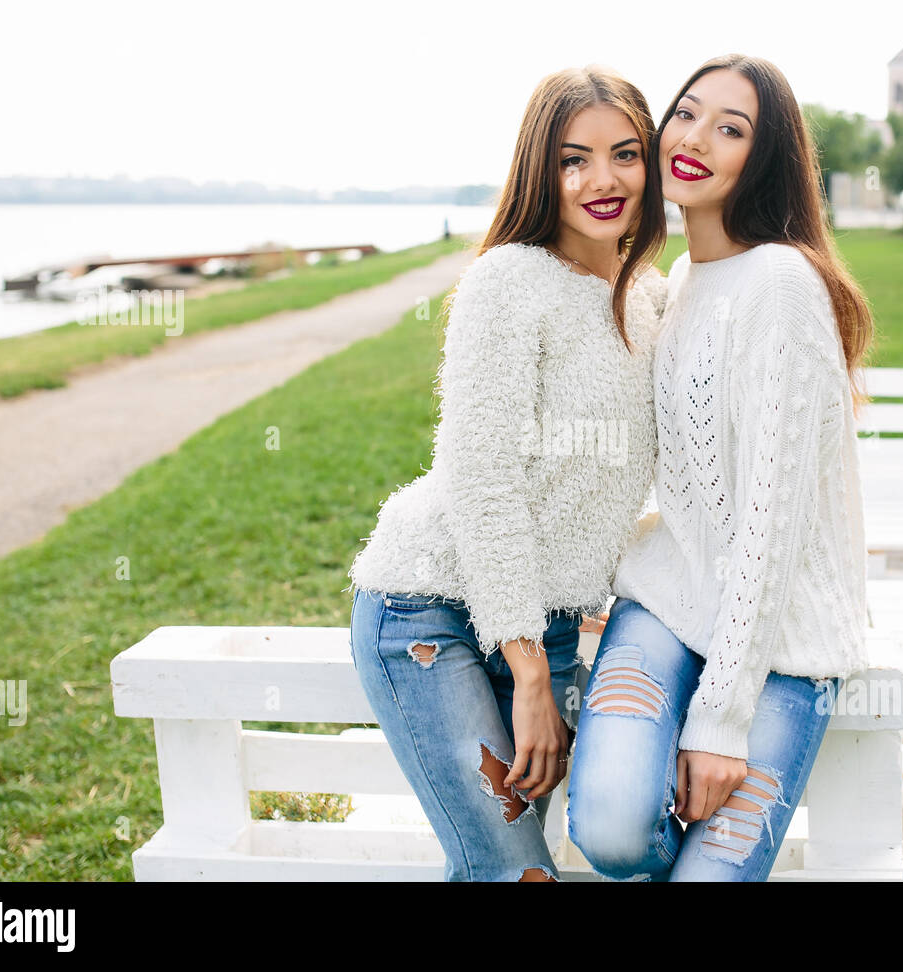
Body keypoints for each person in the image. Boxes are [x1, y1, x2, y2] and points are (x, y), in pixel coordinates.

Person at [345, 65, 668, 882]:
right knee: (515, 872)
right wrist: (528, 672)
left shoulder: (653, 298)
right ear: (540, 170)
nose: (603, 179)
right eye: (573, 159)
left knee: (509, 867)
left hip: (554, 620)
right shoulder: (507, 282)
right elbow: (481, 477)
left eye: (625, 154)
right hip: (433, 610)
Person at [566, 53, 875, 881]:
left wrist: (718, 721)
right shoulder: (683, 280)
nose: (696, 138)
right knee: (610, 826)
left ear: (762, 159)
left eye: (731, 128)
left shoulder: (780, 282)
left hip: (782, 640)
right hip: (668, 601)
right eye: (688, 113)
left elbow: (769, 526)